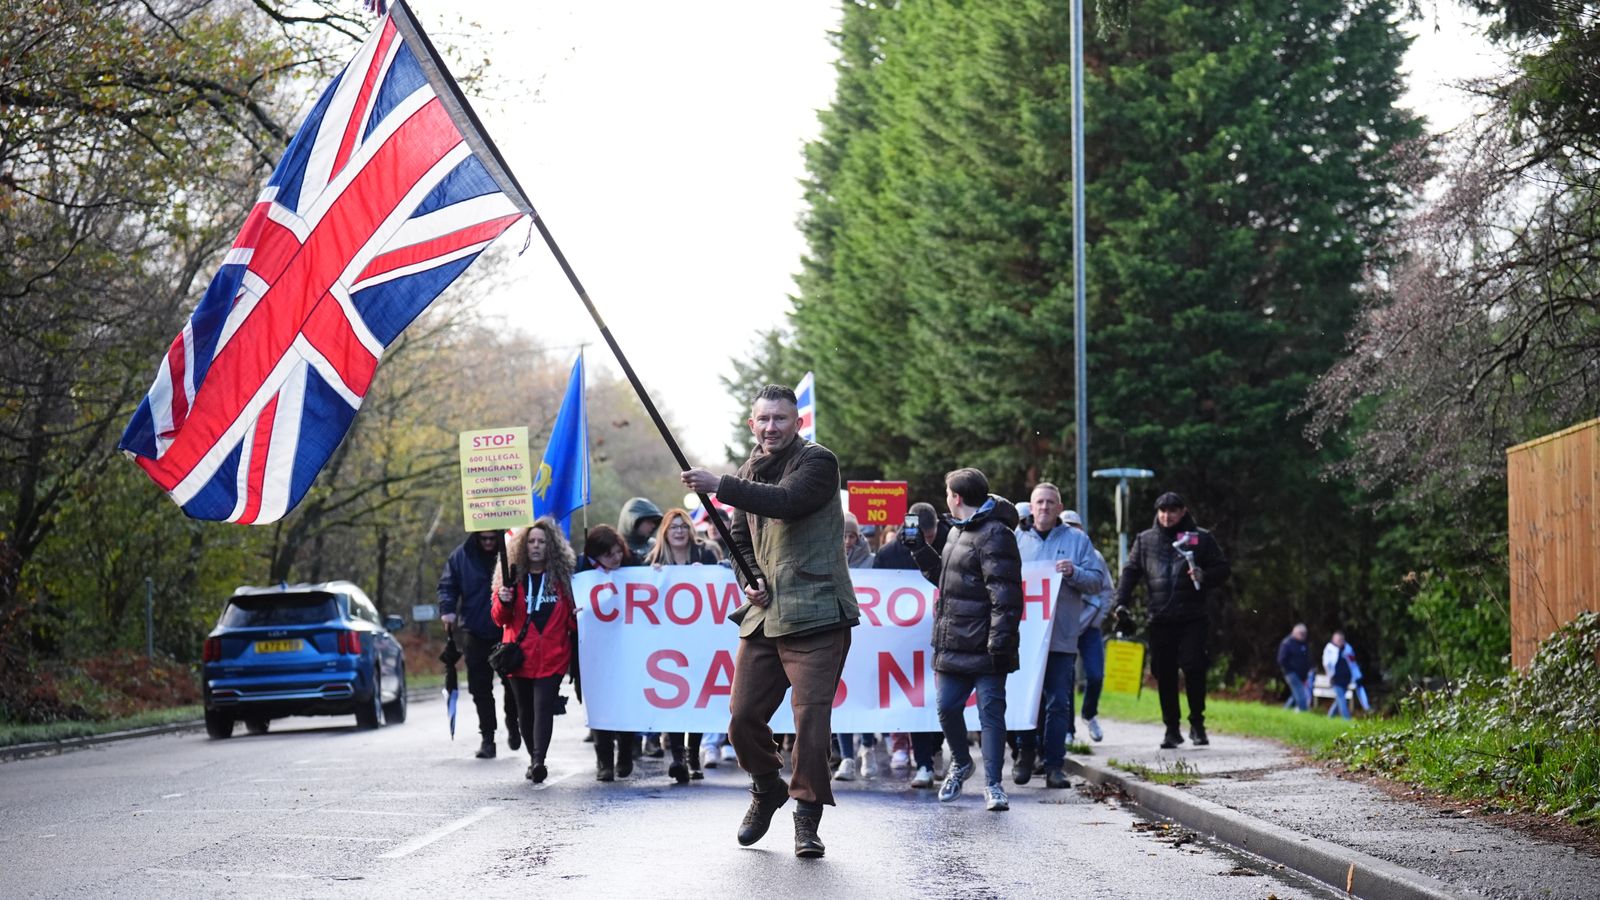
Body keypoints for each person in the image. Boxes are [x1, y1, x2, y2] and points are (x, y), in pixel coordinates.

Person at [682, 384, 859, 859]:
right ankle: (767, 786)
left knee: (812, 723)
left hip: (819, 613)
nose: (771, 427)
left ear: (797, 422)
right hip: (764, 617)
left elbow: (786, 501)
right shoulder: (747, 470)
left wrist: (718, 485)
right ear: (751, 423)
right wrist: (751, 577)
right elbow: (738, 541)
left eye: (781, 419)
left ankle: (806, 817)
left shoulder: (818, 462)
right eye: (763, 419)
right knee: (741, 720)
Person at [906, 468, 1023, 812]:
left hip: (986, 646)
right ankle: (961, 762)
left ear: (956, 497)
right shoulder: (959, 532)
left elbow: (1006, 595)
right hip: (954, 643)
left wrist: (999, 642)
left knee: (991, 714)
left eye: (947, 493)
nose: (946, 498)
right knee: (946, 708)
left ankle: (993, 786)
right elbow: (946, 581)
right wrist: (919, 550)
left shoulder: (996, 534)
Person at [1113, 491, 1230, 749]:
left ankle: (1197, 724)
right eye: (1163, 511)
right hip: (1161, 617)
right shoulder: (1145, 541)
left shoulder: (1200, 538)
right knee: (1163, 673)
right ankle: (1171, 729)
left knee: (1193, 667)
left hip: (1193, 617)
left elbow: (1223, 568)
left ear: (1183, 511)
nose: (1167, 516)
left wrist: (1204, 575)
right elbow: (1130, 574)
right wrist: (1120, 603)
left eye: (1173, 511)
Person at [1011, 483, 1107, 788]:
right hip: (1025, 638)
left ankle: (1054, 765)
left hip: (1062, 636)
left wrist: (1074, 572)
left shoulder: (1077, 540)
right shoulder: (1016, 539)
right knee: (1026, 701)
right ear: (1031, 505)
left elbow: (1097, 582)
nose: (1044, 507)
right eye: (1039, 502)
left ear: (1059, 506)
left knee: (1058, 703)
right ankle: (1025, 754)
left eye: (1050, 502)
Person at [490, 518, 577, 784]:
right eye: (531, 542)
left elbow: (572, 621)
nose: (536, 547)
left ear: (551, 546)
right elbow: (499, 619)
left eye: (541, 542)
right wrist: (504, 601)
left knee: (542, 709)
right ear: (522, 546)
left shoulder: (563, 581)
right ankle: (532, 757)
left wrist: (578, 614)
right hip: (520, 658)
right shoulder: (511, 578)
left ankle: (539, 760)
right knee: (524, 712)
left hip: (553, 657)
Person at [875, 501, 947, 788]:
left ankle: (935, 748)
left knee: (945, 701)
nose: (927, 544)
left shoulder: (948, 541)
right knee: (917, 701)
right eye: (924, 538)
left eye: (931, 539)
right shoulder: (890, 553)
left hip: (942, 635)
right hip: (906, 641)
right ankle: (925, 762)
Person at [645, 508, 719, 783]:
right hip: (668, 642)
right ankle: (677, 757)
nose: (678, 531)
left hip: (699, 639)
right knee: (674, 697)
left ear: (690, 530)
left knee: (696, 696)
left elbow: (723, 580)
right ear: (665, 531)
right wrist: (651, 577)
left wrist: (707, 574)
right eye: (673, 526)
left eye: (683, 526)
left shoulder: (706, 554)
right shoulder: (654, 559)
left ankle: (692, 755)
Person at [437, 530, 518, 759]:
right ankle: (488, 738)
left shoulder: (510, 553)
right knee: (480, 688)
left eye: (493, 538)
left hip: (506, 630)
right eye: (485, 539)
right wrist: (447, 610)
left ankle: (513, 721)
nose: (489, 543)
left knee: (513, 685)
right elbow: (447, 586)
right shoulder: (461, 557)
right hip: (475, 629)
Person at [577, 524, 640, 781]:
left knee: (623, 702)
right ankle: (604, 760)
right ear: (595, 556)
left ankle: (624, 753)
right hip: (594, 652)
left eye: (617, 552)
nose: (615, 558)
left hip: (626, 648)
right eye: (608, 555)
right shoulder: (581, 570)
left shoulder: (632, 563)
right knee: (599, 703)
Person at [1062, 510, 1114, 742]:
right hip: (1065, 628)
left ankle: (1089, 714)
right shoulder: (1058, 555)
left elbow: (1107, 591)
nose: (1072, 529)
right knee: (1065, 678)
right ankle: (1068, 730)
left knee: (1096, 675)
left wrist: (1097, 618)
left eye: (1076, 525)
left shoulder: (1095, 556)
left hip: (1090, 625)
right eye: (1067, 525)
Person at [1322, 630, 1359, 719]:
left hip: (1346, 679)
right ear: (1333, 639)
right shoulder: (1329, 649)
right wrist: (1330, 675)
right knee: (1342, 699)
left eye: (1342, 640)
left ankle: (1329, 717)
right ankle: (1347, 719)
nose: (1340, 642)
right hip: (1335, 679)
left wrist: (1356, 676)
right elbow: (1326, 663)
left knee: (1339, 700)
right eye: (1338, 640)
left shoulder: (1348, 648)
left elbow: (1352, 663)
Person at [1278, 624, 1313, 711]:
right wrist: (1289, 670)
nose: (1303, 635)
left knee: (1295, 694)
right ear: (1295, 632)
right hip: (1291, 673)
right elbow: (1281, 659)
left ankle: (1285, 711)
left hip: (1301, 674)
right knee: (1301, 693)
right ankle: (1303, 710)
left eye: (1305, 633)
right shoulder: (1287, 643)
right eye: (1301, 633)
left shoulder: (1303, 644)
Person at [618, 496, 664, 560]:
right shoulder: (614, 549)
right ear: (635, 521)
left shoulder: (656, 547)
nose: (653, 526)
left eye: (655, 522)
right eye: (649, 521)